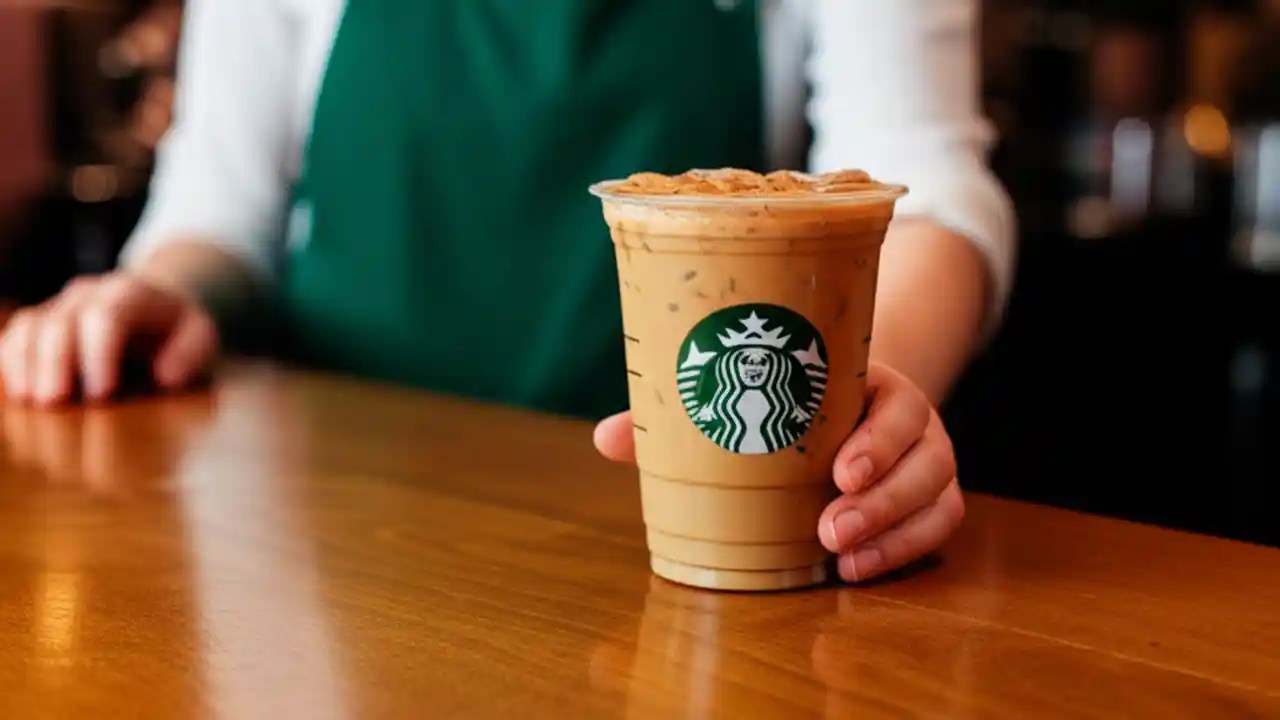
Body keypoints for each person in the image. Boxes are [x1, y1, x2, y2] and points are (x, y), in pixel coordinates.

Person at [0, 0, 1014, 583]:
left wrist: (865, 396)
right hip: (320, 535)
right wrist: (163, 291)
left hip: (672, 535)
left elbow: (917, 185)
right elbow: (223, 208)